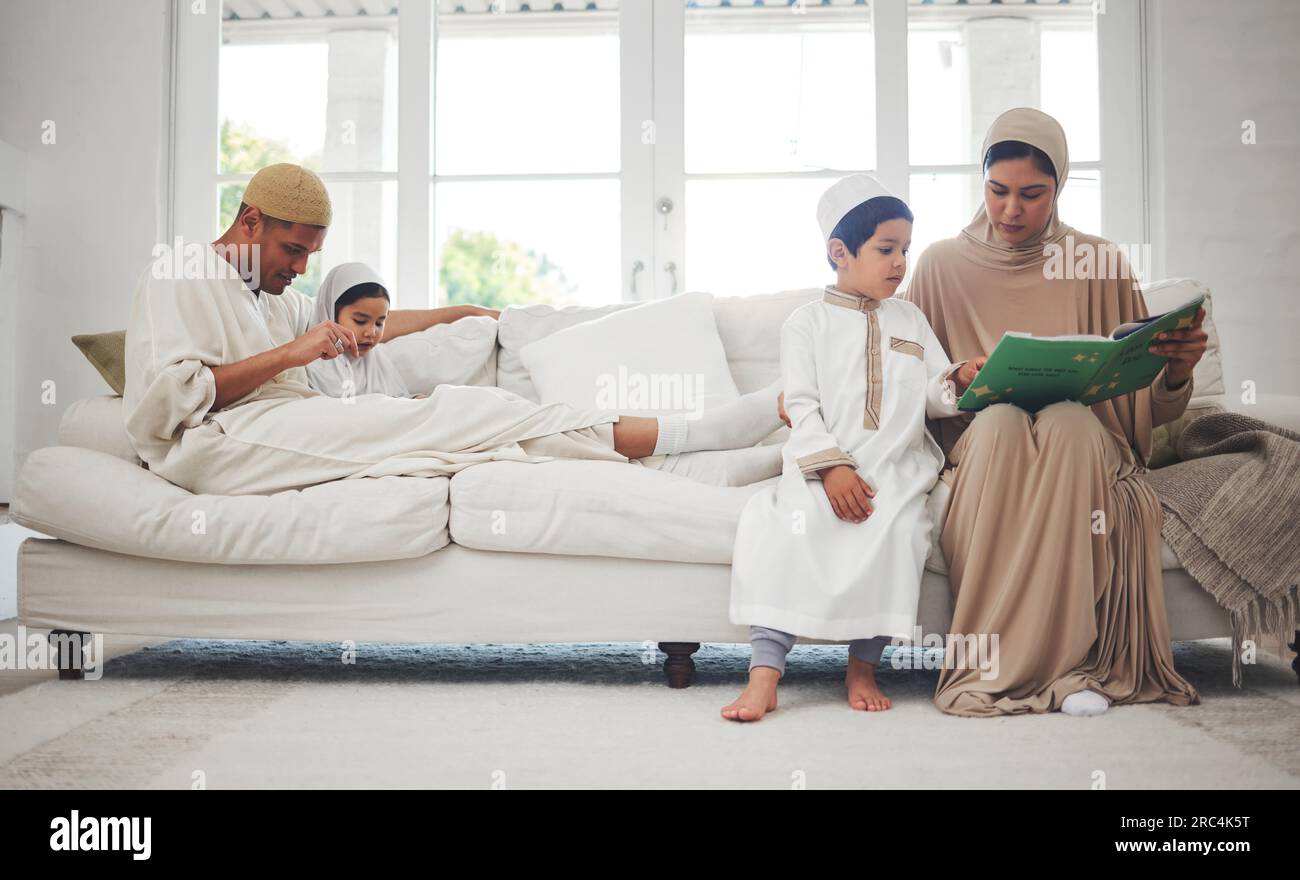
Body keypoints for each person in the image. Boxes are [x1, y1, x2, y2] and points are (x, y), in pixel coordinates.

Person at [123, 163, 785, 496]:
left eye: (309, 258)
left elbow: (348, 331)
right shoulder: (181, 273)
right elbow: (167, 402)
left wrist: (451, 313)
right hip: (220, 445)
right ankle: (698, 436)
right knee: (464, 413)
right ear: (249, 223)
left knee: (478, 431)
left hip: (281, 427)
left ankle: (680, 459)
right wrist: (292, 354)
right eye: (292, 252)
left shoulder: (268, 295)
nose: (299, 269)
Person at [903, 108, 1207, 717]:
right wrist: (958, 378)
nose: (1011, 210)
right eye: (998, 191)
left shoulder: (1099, 261)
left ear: (1059, 189)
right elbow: (915, 388)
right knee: (999, 423)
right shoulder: (939, 265)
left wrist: (1176, 370)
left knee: (1069, 421)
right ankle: (994, 666)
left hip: (1083, 441)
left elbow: (1144, 409)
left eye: (1032, 195)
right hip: (985, 441)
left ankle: (1075, 669)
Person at [723, 175, 984, 722]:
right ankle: (765, 674)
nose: (900, 262)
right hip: (824, 466)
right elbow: (802, 404)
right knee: (779, 527)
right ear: (839, 253)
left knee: (899, 529)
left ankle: (862, 667)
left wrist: (959, 377)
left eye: (905, 250)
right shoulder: (806, 324)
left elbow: (937, 394)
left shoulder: (910, 318)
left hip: (898, 467)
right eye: (886, 249)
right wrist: (833, 469)